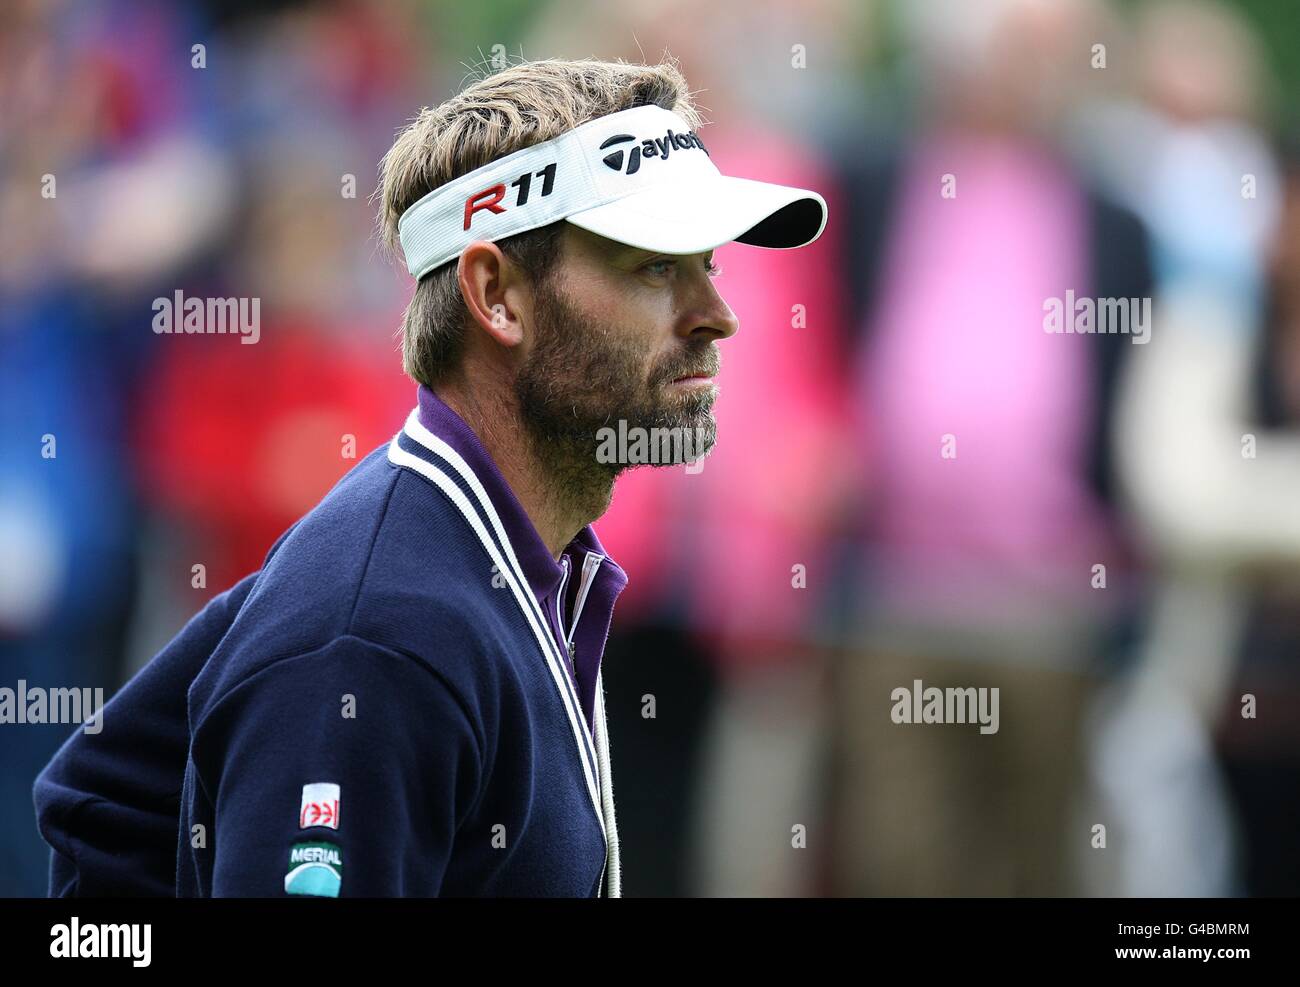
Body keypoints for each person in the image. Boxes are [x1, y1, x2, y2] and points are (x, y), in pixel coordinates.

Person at [32, 56, 827, 897]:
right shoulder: (377, 637)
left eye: (708, 261)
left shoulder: (516, 567)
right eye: (655, 267)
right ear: (496, 295)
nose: (718, 313)